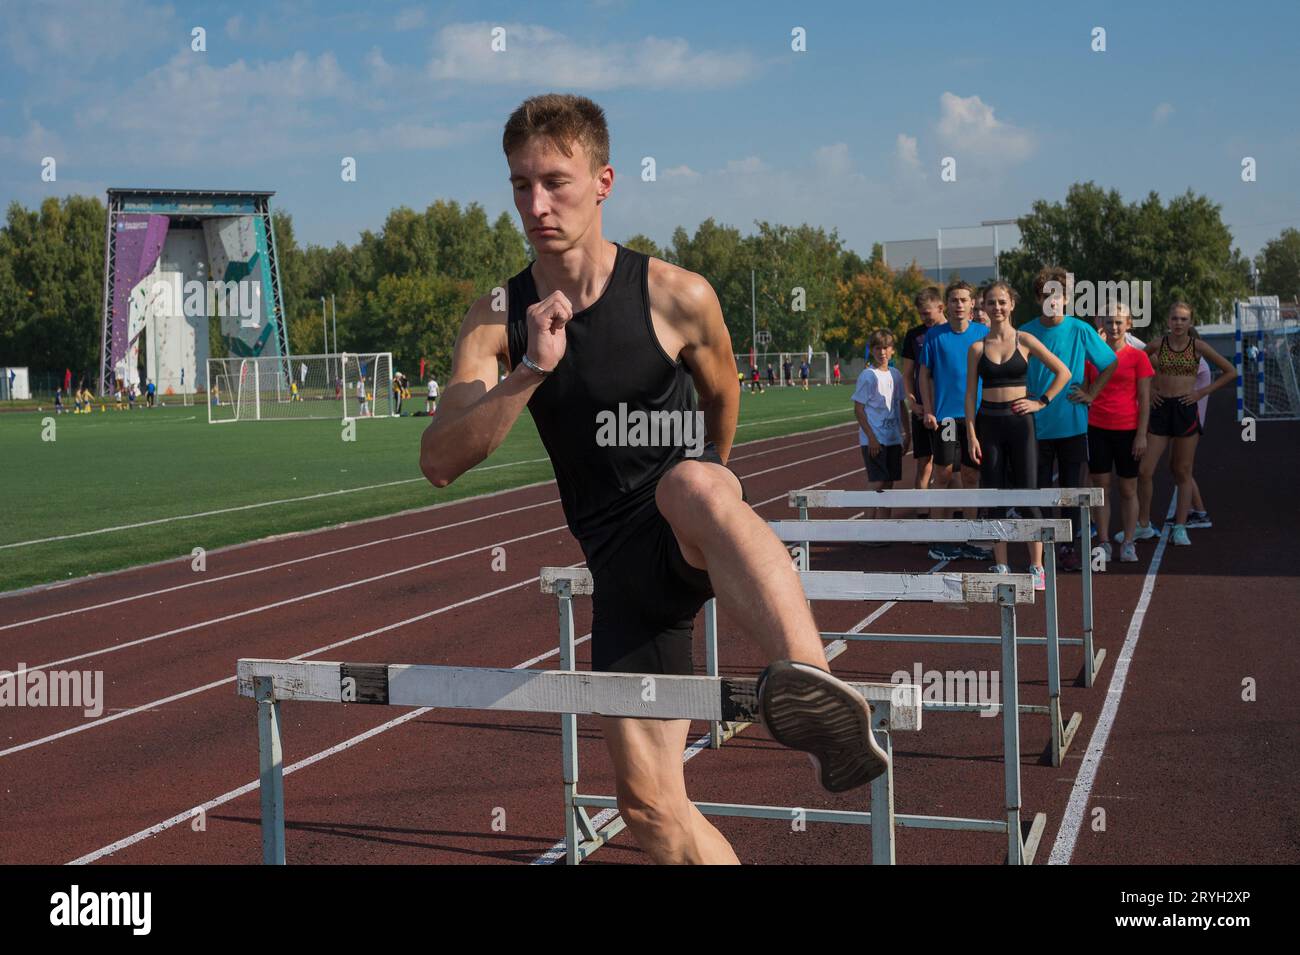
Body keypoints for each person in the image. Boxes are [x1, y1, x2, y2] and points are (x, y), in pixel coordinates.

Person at [420, 93, 886, 864]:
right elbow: (439, 459)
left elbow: (723, 391)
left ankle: (817, 691)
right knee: (648, 806)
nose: (536, 204)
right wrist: (531, 368)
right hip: (619, 571)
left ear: (604, 182)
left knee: (693, 487)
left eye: (556, 182)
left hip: (683, 529)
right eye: (520, 185)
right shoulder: (498, 316)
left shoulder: (677, 294)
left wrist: (717, 484)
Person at [965, 281, 1069, 589]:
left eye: (1002, 302)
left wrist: (1041, 402)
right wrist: (971, 433)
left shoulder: (1025, 340)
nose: (996, 308)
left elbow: (1063, 372)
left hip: (1019, 422)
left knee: (1027, 494)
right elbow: (971, 394)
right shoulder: (977, 348)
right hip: (988, 424)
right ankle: (1001, 564)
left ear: (1011, 305)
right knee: (994, 495)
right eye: (991, 303)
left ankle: (1037, 567)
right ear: (982, 307)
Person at [1020, 266, 1118, 572]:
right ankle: (1039, 552)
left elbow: (1109, 363)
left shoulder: (1080, 330)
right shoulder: (1025, 331)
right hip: (1034, 424)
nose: (1053, 300)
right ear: (1039, 298)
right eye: (1047, 294)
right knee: (1034, 490)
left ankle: (1067, 546)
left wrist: (1091, 394)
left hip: (1071, 424)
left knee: (1071, 490)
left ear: (1067, 298)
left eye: (1058, 295)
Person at [1134, 302, 1236, 545]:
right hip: (1160, 410)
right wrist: (1147, 392)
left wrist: (1201, 393)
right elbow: (1134, 365)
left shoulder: (1198, 346)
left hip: (1185, 410)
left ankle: (1180, 527)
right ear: (1168, 321)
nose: (1178, 323)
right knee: (1144, 470)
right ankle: (1143, 524)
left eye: (1183, 319)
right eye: (1174, 319)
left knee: (1182, 471)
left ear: (1190, 322)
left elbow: (1230, 371)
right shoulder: (1158, 344)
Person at [919, 281, 993, 561]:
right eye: (954, 300)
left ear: (973, 304)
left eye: (964, 299)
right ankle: (941, 538)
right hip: (947, 418)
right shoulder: (934, 336)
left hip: (977, 417)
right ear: (946, 305)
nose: (959, 304)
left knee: (973, 476)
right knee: (944, 476)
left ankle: (971, 537)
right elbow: (924, 374)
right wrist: (928, 409)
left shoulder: (984, 334)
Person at [1084, 303, 1154, 563]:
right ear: (1102, 323)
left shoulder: (1139, 357)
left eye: (1119, 322)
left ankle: (1128, 541)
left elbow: (1145, 400)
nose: (1114, 327)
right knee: (1101, 489)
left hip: (1128, 431)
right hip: (1097, 429)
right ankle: (1103, 541)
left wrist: (1142, 435)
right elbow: (1084, 388)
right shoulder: (1092, 356)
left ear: (1129, 324)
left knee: (1128, 489)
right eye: (1109, 322)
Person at [853, 330, 909, 530]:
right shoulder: (868, 376)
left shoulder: (896, 375)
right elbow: (858, 409)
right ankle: (867, 528)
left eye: (885, 348)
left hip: (893, 438)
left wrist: (907, 433)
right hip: (875, 440)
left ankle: (884, 528)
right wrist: (872, 438)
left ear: (892, 350)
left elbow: (901, 405)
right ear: (872, 351)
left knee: (889, 485)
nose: (882, 352)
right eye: (878, 348)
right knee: (877, 482)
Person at [901, 287, 945, 517]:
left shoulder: (953, 331)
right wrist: (911, 401)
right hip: (921, 410)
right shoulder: (914, 335)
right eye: (921, 314)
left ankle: (953, 510)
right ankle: (922, 509)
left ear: (941, 307)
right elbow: (908, 373)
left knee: (951, 466)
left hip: (948, 409)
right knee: (924, 461)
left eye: (928, 313)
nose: (925, 318)